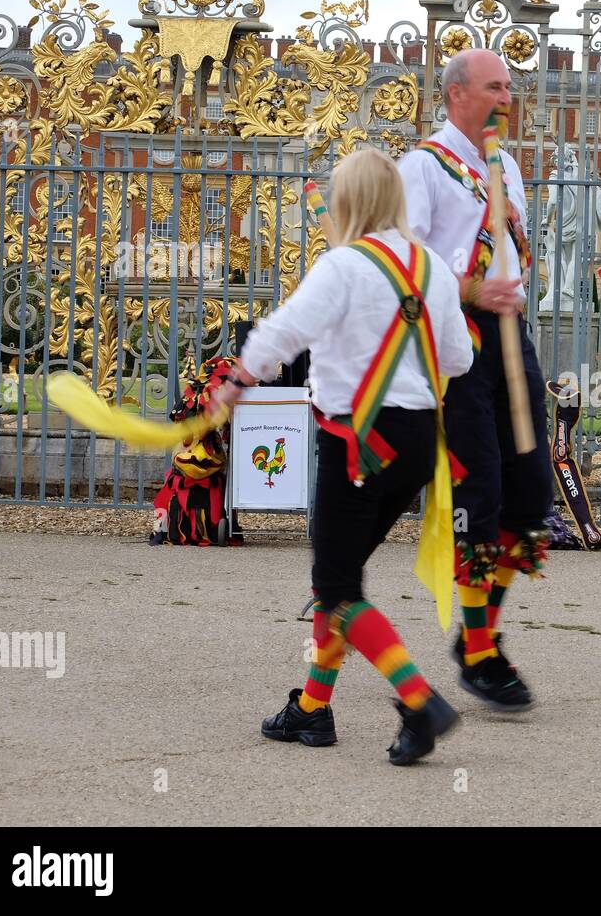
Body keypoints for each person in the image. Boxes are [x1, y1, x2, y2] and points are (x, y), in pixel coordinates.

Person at [209, 148, 475, 765]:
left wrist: (239, 376)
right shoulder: (433, 269)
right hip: (415, 447)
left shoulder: (344, 265)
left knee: (335, 586)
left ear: (347, 203)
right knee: (337, 584)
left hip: (355, 443)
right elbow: (459, 359)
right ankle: (311, 708)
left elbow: (285, 330)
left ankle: (419, 701)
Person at [398, 49, 553, 710]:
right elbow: (402, 264)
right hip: (453, 344)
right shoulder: (422, 168)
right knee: (479, 491)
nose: (506, 98)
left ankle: (478, 635)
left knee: (531, 493)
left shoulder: (508, 167)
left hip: (510, 339)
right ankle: (481, 648)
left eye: (510, 88)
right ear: (459, 92)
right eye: (495, 87)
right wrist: (469, 288)